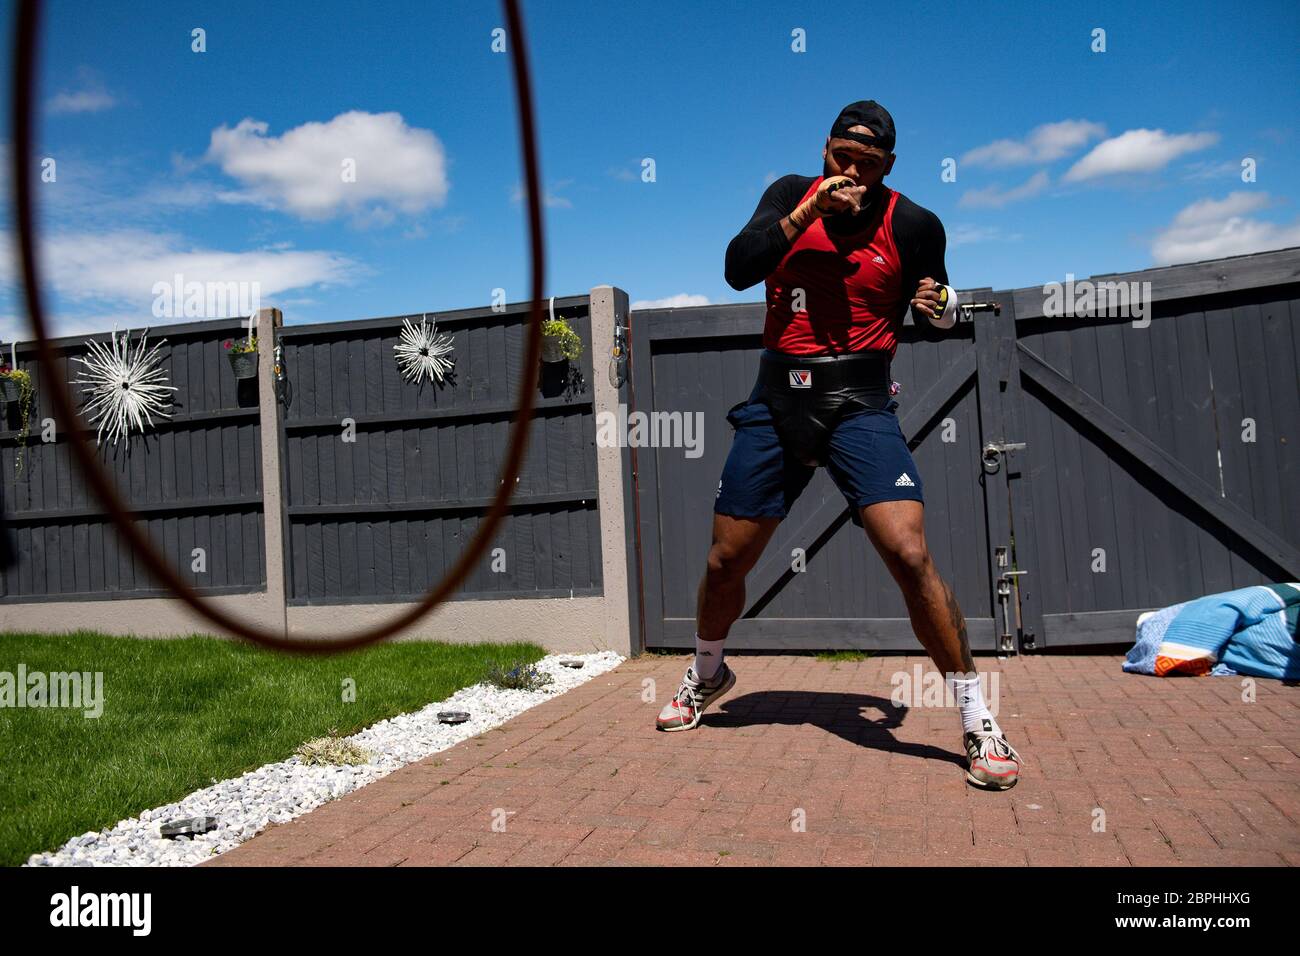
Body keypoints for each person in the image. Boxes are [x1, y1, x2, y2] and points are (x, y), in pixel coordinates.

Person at [655, 100, 1022, 790]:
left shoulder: (913, 222)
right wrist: (807, 212)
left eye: (865, 162)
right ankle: (707, 673)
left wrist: (937, 310)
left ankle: (976, 718)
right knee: (726, 557)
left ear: (888, 166)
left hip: (860, 404)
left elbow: (937, 306)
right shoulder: (789, 194)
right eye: (838, 157)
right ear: (823, 149)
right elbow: (737, 268)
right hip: (776, 399)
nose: (848, 171)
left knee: (910, 555)